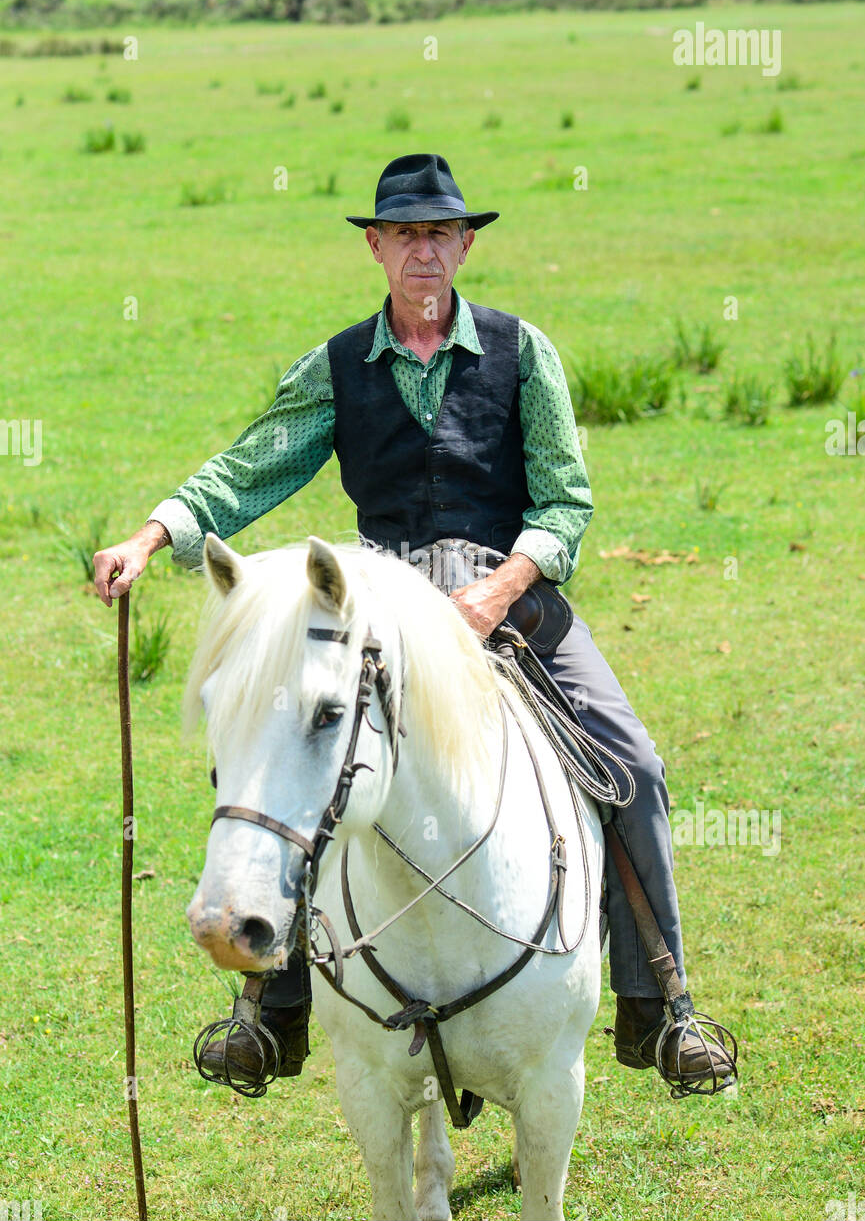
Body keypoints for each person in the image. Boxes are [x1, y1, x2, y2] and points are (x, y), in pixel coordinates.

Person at [94, 153, 735, 1090]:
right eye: (404, 234)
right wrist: (152, 537)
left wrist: (496, 589)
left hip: (506, 600)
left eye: (439, 234)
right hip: (379, 608)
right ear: (375, 247)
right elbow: (250, 466)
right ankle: (268, 1013)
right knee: (283, 751)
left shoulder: (524, 353)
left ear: (465, 246)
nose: (422, 252)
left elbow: (563, 505)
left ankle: (661, 1006)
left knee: (630, 765)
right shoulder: (337, 365)